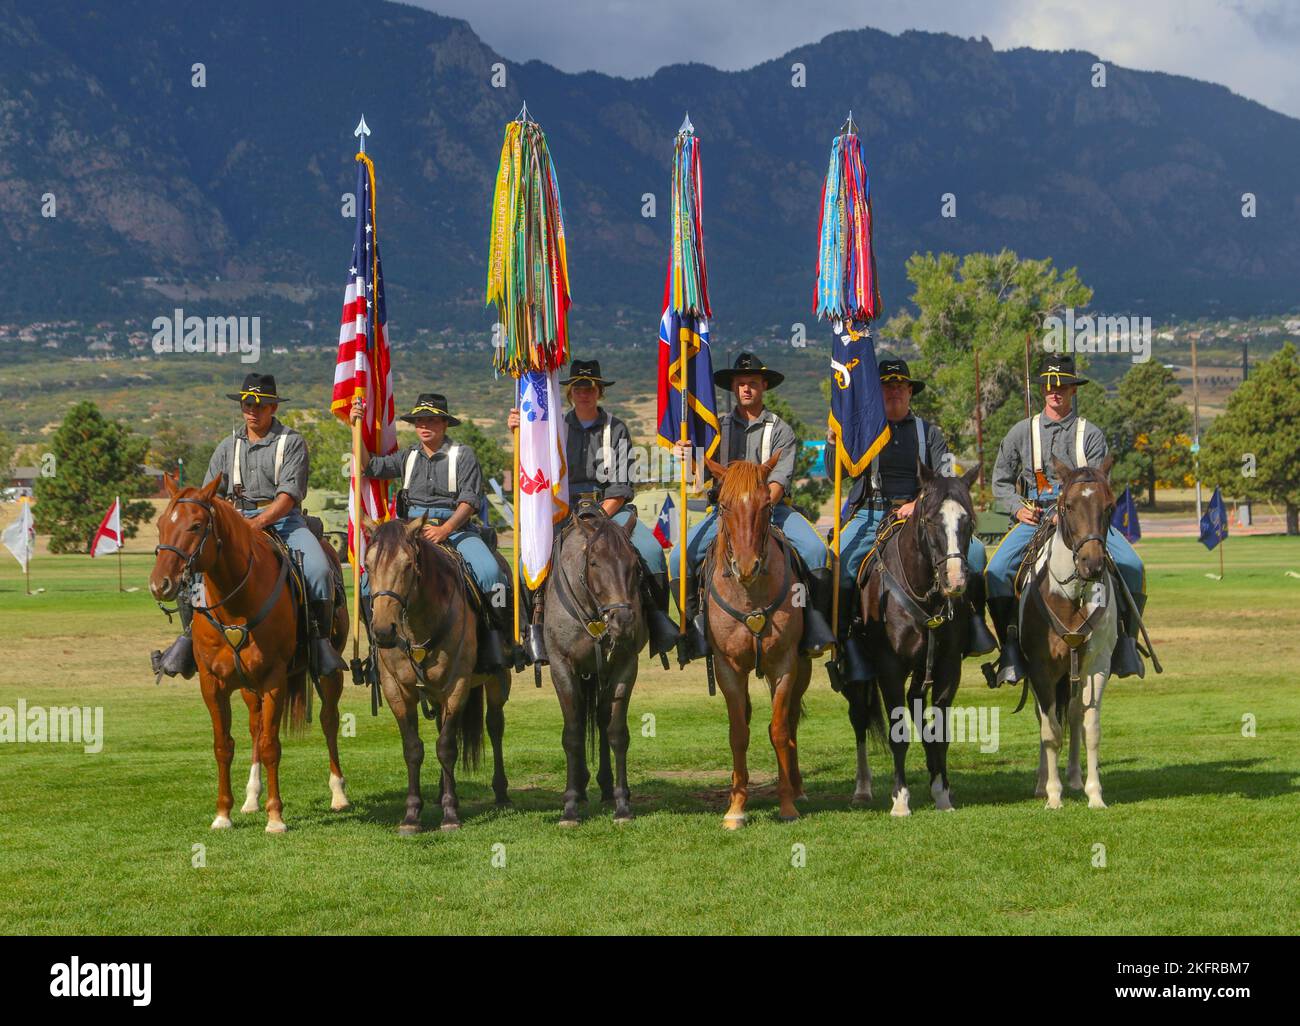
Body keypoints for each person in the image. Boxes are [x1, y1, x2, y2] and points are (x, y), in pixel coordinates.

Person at [151, 373, 346, 680]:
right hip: (234, 526)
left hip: (285, 523)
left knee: (319, 571)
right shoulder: (227, 448)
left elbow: (287, 496)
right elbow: (207, 498)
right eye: (247, 404)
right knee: (190, 573)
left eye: (261, 405)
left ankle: (320, 643)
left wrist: (257, 523)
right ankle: (189, 639)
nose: (253, 411)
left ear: (273, 408)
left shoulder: (291, 443)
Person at [985, 354, 1147, 684]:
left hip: (1086, 520)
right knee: (996, 571)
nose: (1055, 391)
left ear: (1073, 390)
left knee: (1133, 567)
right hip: (1035, 516)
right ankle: (1010, 650)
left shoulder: (1091, 434)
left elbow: (1102, 486)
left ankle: (1126, 644)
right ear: (1043, 389)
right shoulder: (1021, 432)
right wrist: (1017, 507)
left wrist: (1074, 513)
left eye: (1062, 385)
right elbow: (1000, 480)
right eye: (1049, 385)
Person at [507, 359, 678, 663]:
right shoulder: (553, 428)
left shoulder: (618, 428)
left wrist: (598, 518)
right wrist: (519, 434)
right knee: (527, 560)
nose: (584, 393)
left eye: (590, 388)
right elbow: (535, 466)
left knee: (650, 551)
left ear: (599, 392)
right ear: (570, 393)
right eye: (578, 388)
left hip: (611, 509)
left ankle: (657, 619)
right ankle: (531, 630)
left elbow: (621, 486)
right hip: (565, 512)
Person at [668, 351, 836, 660]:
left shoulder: (781, 431)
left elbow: (777, 484)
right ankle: (694, 627)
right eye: (741, 383)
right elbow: (699, 473)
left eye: (753, 383)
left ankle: (814, 623)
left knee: (817, 552)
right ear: (734, 388)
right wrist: (686, 455)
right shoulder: (714, 429)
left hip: (773, 510)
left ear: (764, 387)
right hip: (726, 514)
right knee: (679, 557)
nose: (747, 389)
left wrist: (756, 510)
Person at [825, 358, 996, 659]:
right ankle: (845, 636)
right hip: (870, 511)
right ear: (876, 393)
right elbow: (834, 475)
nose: (894, 392)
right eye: (887, 387)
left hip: (922, 515)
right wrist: (833, 443)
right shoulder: (860, 431)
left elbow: (946, 482)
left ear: (909, 392)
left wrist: (916, 504)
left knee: (979, 553)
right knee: (840, 559)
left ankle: (974, 625)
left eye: (900, 386)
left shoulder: (929, 433)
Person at [351, 392, 510, 671]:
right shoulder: (409, 456)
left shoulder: (463, 455)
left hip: (456, 528)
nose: (425, 425)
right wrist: (356, 425)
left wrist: (445, 529)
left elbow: (470, 500)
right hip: (409, 531)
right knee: (367, 583)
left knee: (490, 574)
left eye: (432, 420)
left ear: (445, 424)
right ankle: (377, 646)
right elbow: (371, 466)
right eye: (420, 420)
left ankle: (497, 639)